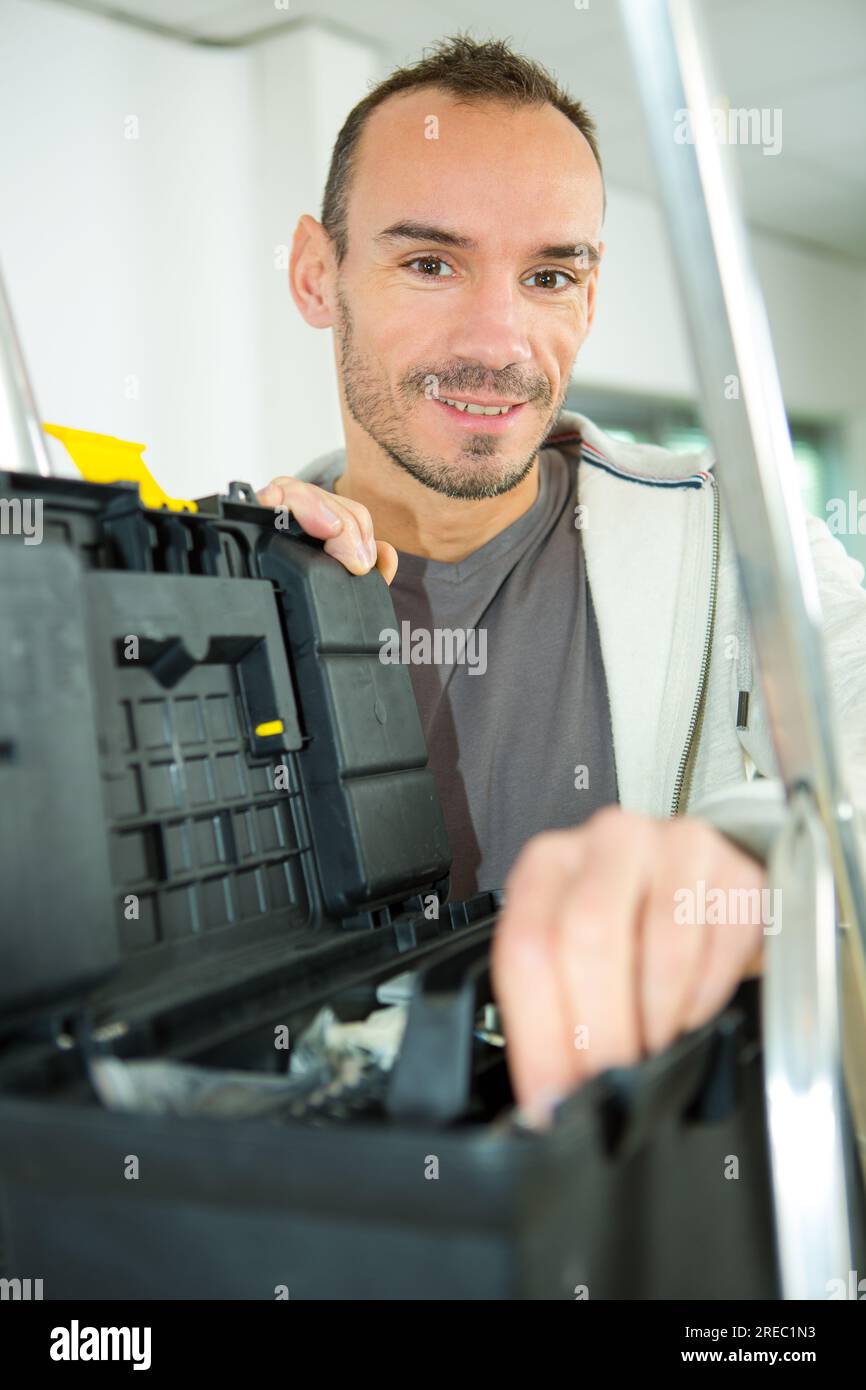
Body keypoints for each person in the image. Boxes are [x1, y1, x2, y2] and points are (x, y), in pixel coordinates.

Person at [255, 35, 866, 1124]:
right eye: (430, 262)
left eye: (548, 274)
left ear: (586, 300)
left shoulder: (742, 539)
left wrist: (748, 855)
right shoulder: (236, 587)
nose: (497, 339)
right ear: (316, 273)